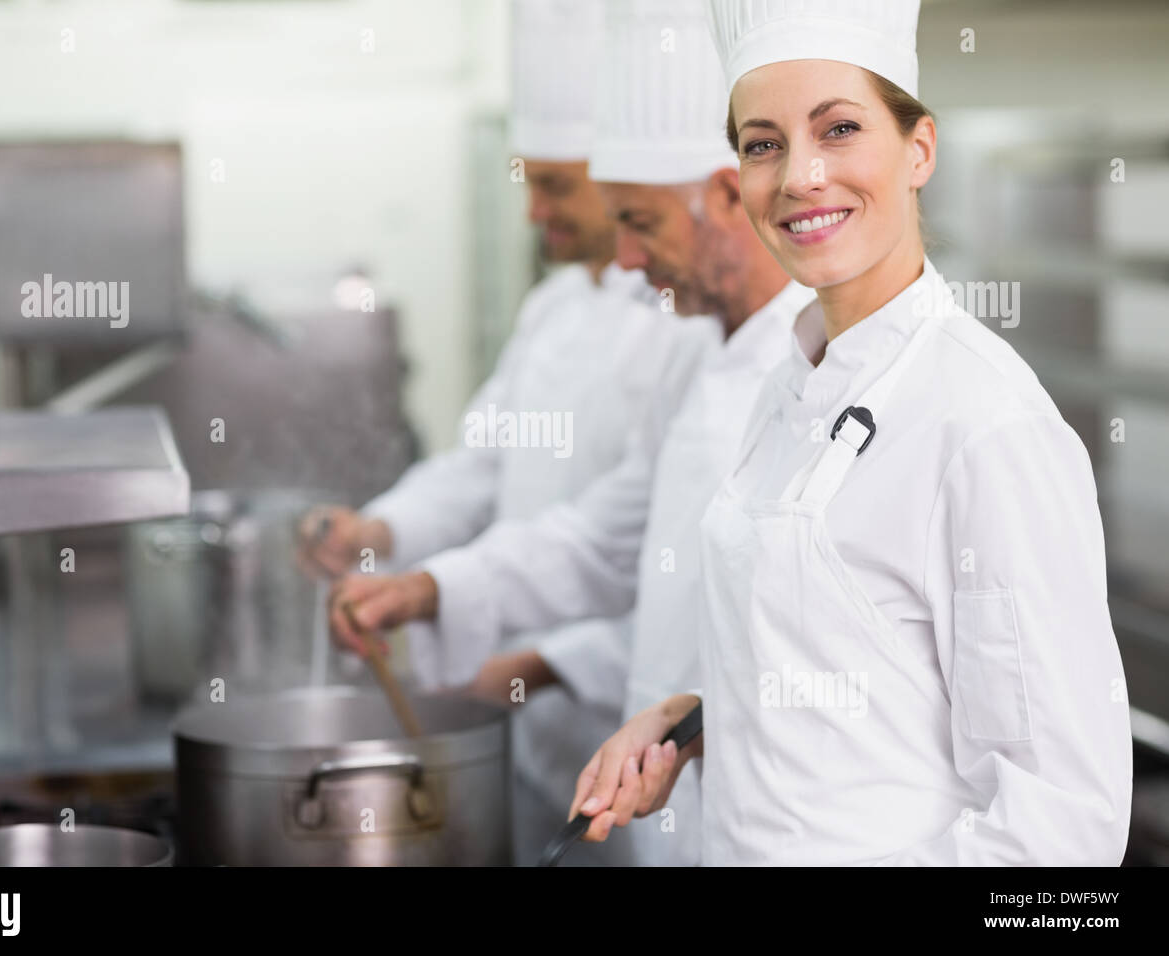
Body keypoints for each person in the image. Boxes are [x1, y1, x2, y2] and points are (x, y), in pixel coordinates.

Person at [570, 0, 1133, 865]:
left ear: (920, 149)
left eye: (838, 128)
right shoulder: (790, 388)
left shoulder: (986, 427)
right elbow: (857, 686)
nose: (799, 176)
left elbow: (1064, 831)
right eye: (763, 143)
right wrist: (685, 724)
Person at [326, 0, 812, 865]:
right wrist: (427, 585)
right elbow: (601, 537)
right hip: (653, 801)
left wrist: (542, 658)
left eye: (641, 222)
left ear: (727, 196)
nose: (624, 263)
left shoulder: (824, 375)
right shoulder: (705, 357)